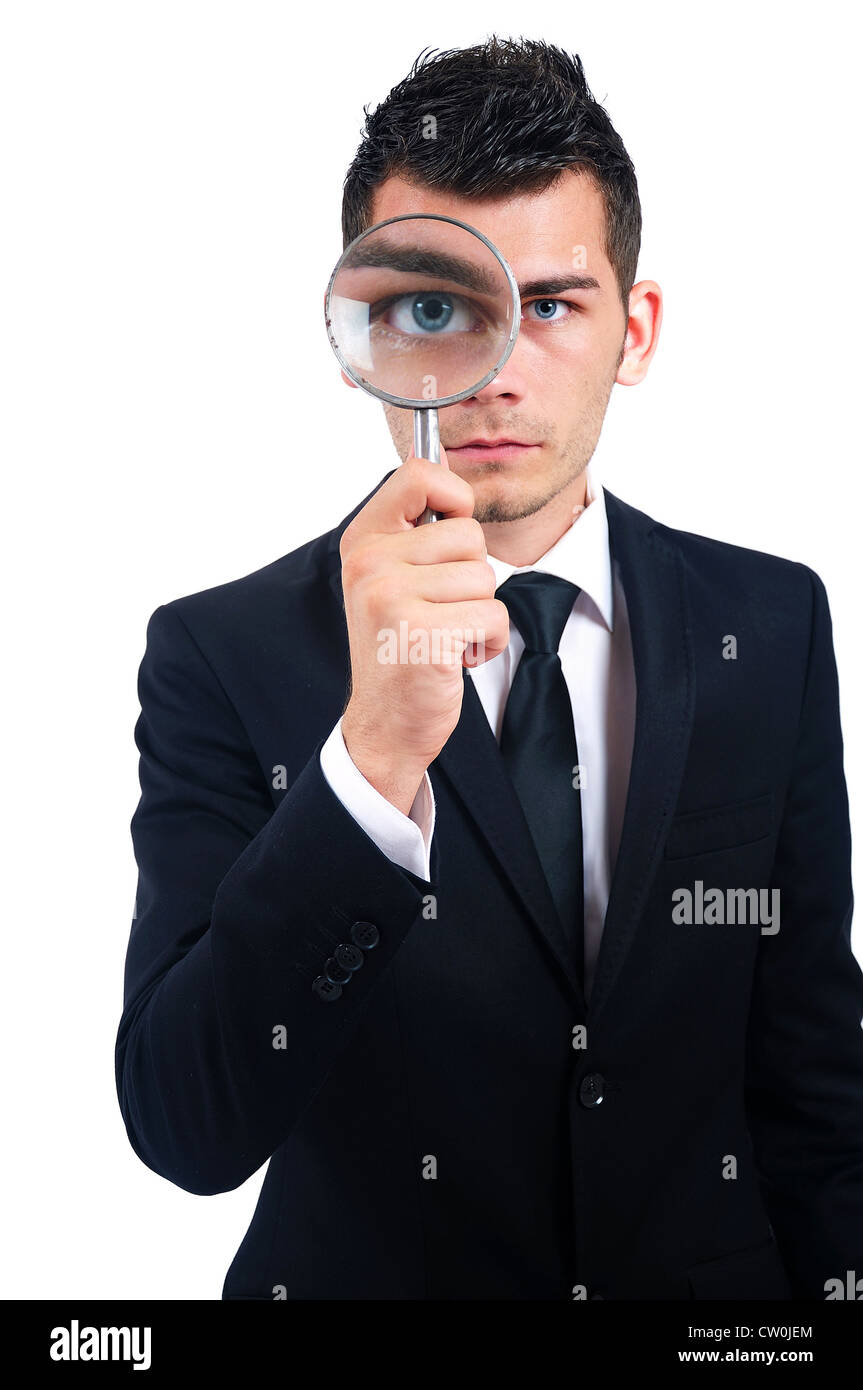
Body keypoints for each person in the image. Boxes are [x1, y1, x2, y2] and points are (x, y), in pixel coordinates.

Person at [115, 37, 863, 1301]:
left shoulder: (771, 622)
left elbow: (813, 1083)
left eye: (553, 305)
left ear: (635, 331)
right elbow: (188, 1128)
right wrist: (371, 761)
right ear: (359, 329)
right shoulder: (219, 653)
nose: (495, 371)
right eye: (434, 308)